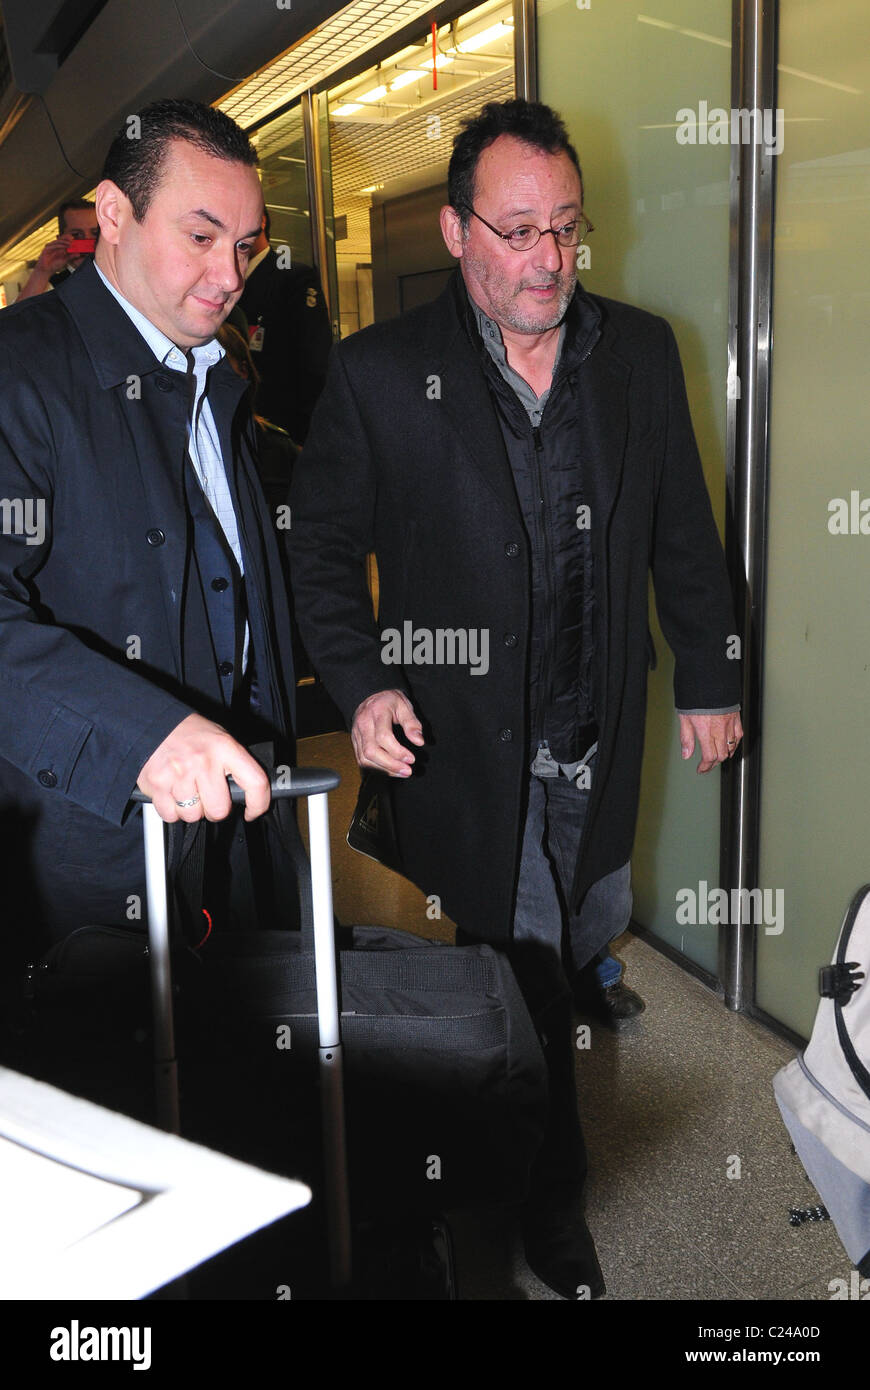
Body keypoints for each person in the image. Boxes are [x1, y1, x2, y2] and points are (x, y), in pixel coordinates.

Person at [288, 98, 742, 1300]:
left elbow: (684, 532)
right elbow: (322, 552)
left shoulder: (638, 353)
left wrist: (712, 672)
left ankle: (498, 1170)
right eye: (520, 230)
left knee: (576, 934)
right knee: (522, 968)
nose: (549, 260)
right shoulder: (385, 376)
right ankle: (538, 1204)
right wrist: (365, 679)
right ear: (456, 231)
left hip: (594, 736)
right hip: (468, 752)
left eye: (568, 230)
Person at [0, 98, 298, 969]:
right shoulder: (19, 371)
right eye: (200, 236)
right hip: (84, 854)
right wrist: (146, 736)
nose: (229, 272)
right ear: (114, 215)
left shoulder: (215, 378)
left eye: (245, 245)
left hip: (230, 830)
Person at [237, 210, 333, 444]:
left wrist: (306, 440)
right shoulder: (222, 282)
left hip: (280, 431)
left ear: (261, 221)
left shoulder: (293, 278)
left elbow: (315, 364)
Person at [14, 199, 101, 300]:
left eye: (95, 233)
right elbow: (20, 314)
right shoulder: (48, 287)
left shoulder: (120, 277)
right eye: (76, 235)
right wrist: (42, 271)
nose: (86, 241)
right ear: (60, 239)